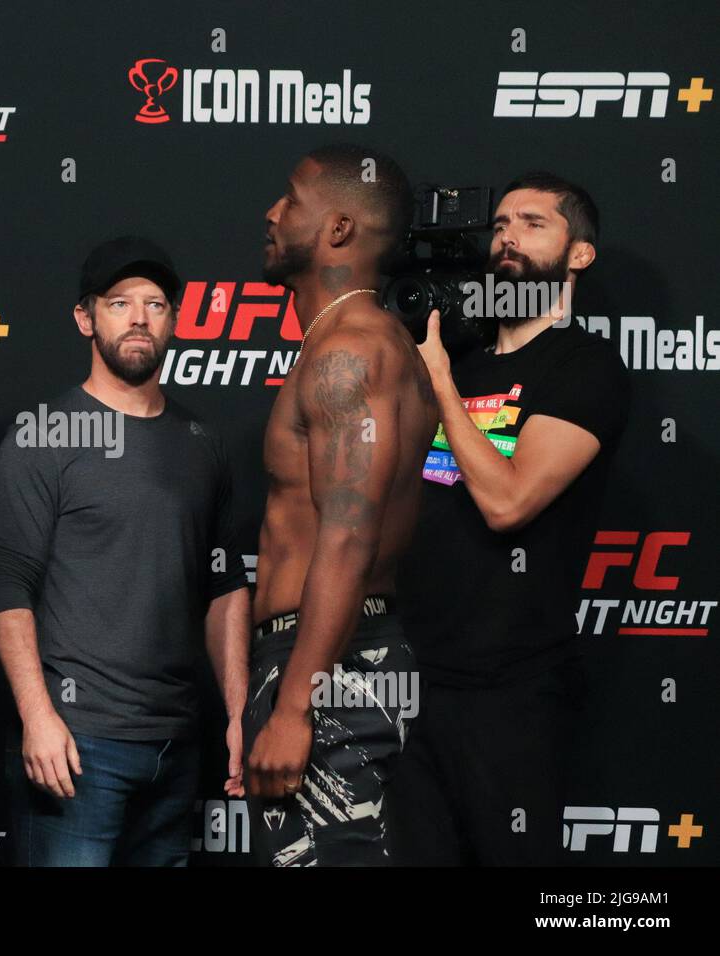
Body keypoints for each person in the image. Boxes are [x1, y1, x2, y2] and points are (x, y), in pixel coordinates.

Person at [387, 172, 631, 866]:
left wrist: (436, 383)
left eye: (532, 223)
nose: (508, 238)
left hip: (511, 694)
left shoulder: (585, 369)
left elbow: (507, 502)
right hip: (418, 685)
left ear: (579, 254)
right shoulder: (462, 365)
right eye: (499, 225)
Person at [0, 236, 250, 866]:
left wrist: (238, 713)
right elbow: (8, 586)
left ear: (174, 322)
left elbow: (225, 586)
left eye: (155, 304)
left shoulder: (200, 443)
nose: (138, 318)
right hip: (77, 746)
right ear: (85, 318)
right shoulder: (43, 438)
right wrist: (39, 717)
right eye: (119, 302)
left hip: (176, 745)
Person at [245, 144, 437, 866]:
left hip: (328, 665)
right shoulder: (362, 345)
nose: (271, 213)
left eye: (290, 200)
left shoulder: (349, 353)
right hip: (330, 660)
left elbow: (348, 539)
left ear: (338, 230)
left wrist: (295, 707)